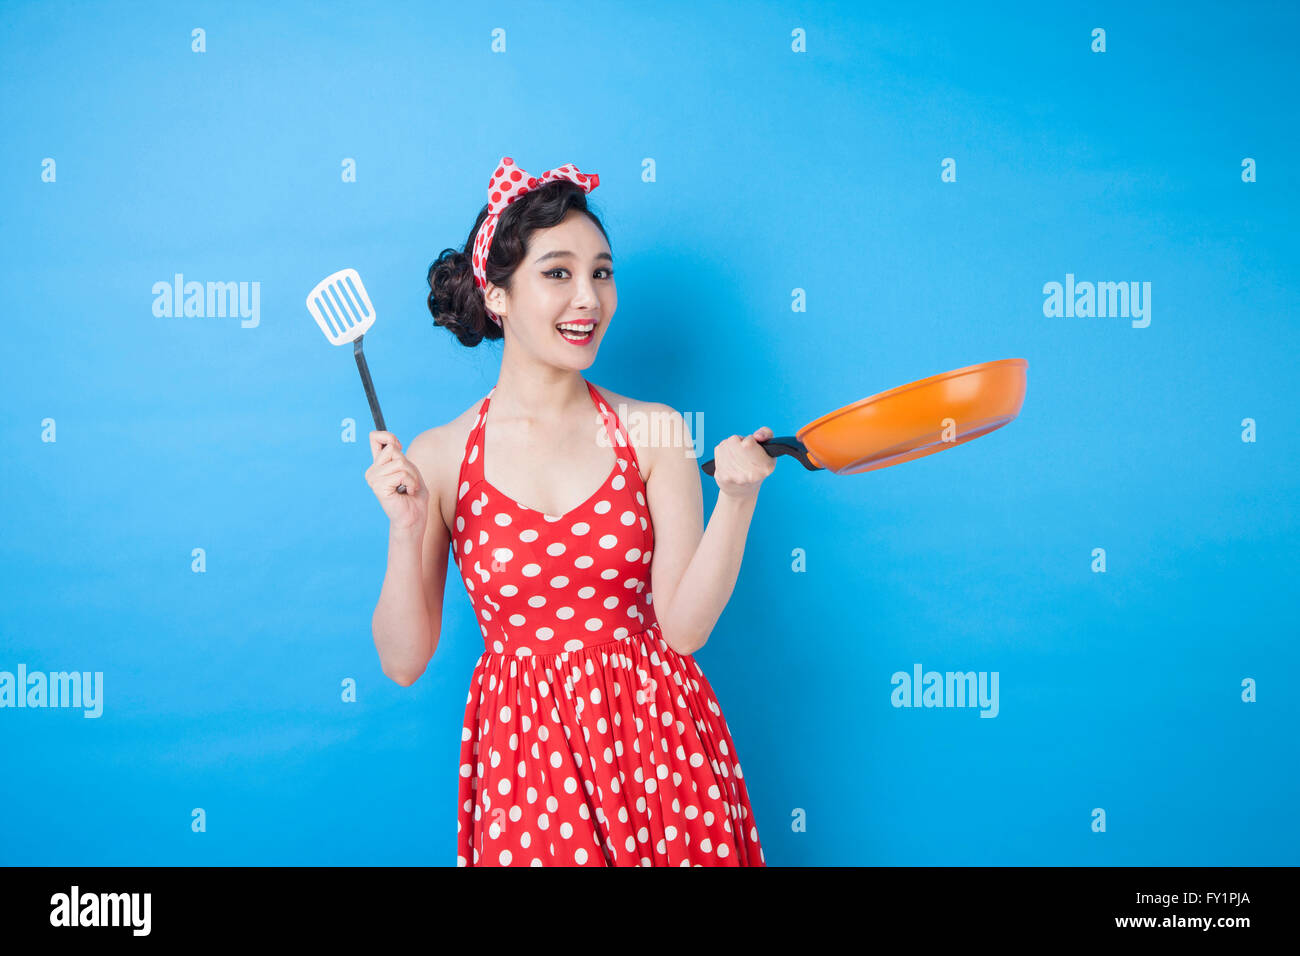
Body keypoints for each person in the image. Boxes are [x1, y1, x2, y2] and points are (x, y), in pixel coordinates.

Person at [365, 157, 775, 866]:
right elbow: (403, 661)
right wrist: (406, 531)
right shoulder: (441, 454)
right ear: (496, 295)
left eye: (602, 272)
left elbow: (683, 630)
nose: (588, 298)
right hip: (528, 772)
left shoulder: (653, 429)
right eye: (557, 273)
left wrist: (736, 502)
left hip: (663, 757)